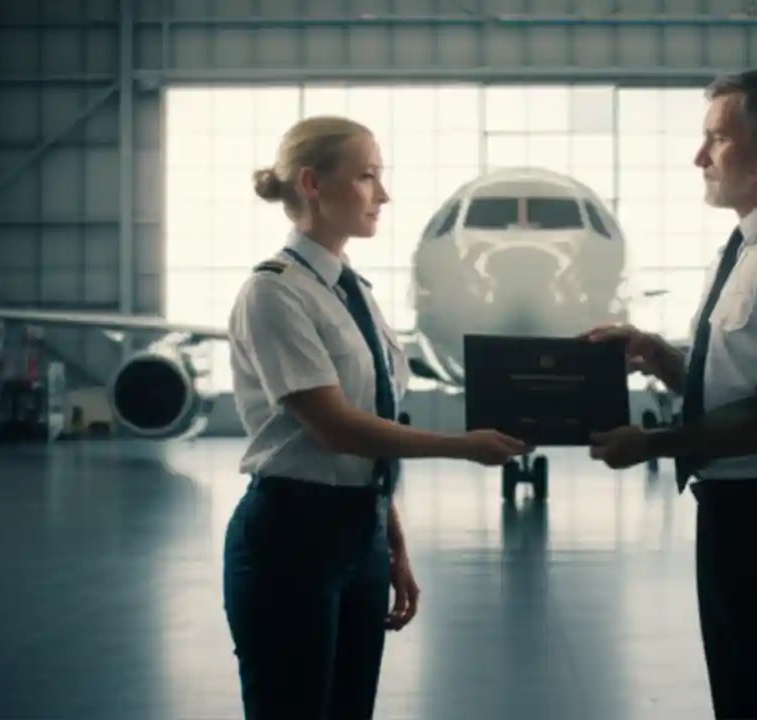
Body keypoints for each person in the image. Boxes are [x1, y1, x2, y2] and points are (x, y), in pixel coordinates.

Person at [222, 115, 530, 720]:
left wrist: (390, 539)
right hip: (291, 535)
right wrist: (463, 446)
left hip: (357, 530)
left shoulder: (352, 291)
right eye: (367, 177)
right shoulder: (274, 292)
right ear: (311, 183)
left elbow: (366, 425)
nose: (382, 195)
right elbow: (334, 427)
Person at [586, 69, 757, 719]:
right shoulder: (747, 249)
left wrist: (651, 442)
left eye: (716, 138)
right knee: (744, 700)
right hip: (736, 514)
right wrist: (661, 358)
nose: (699, 157)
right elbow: (736, 386)